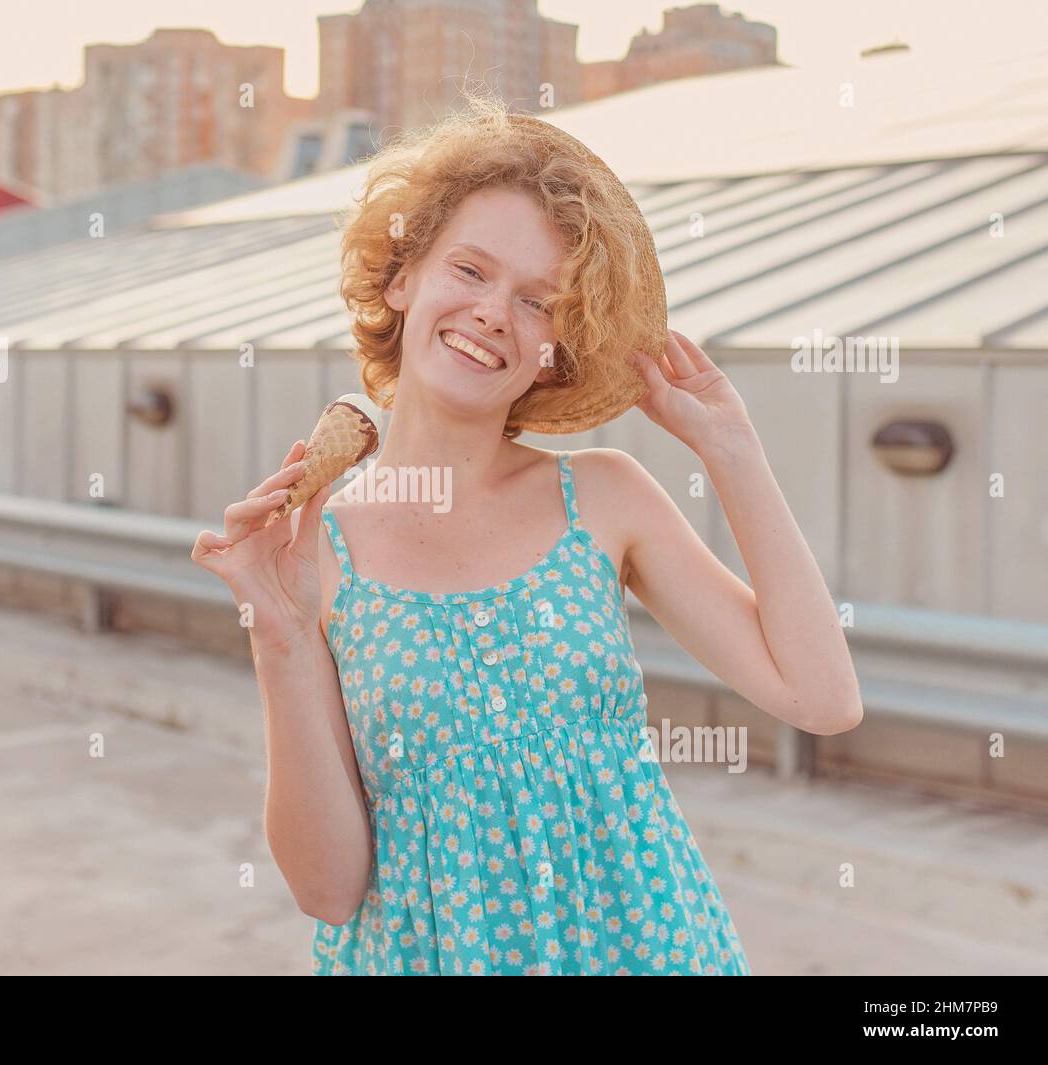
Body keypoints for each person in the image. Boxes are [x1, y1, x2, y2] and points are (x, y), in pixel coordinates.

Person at [192, 94, 862, 975]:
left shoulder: (606, 499)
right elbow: (328, 891)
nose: (494, 313)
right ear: (403, 279)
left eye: (538, 301)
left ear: (559, 346)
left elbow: (823, 699)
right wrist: (278, 638)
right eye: (469, 270)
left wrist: (733, 453)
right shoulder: (312, 553)